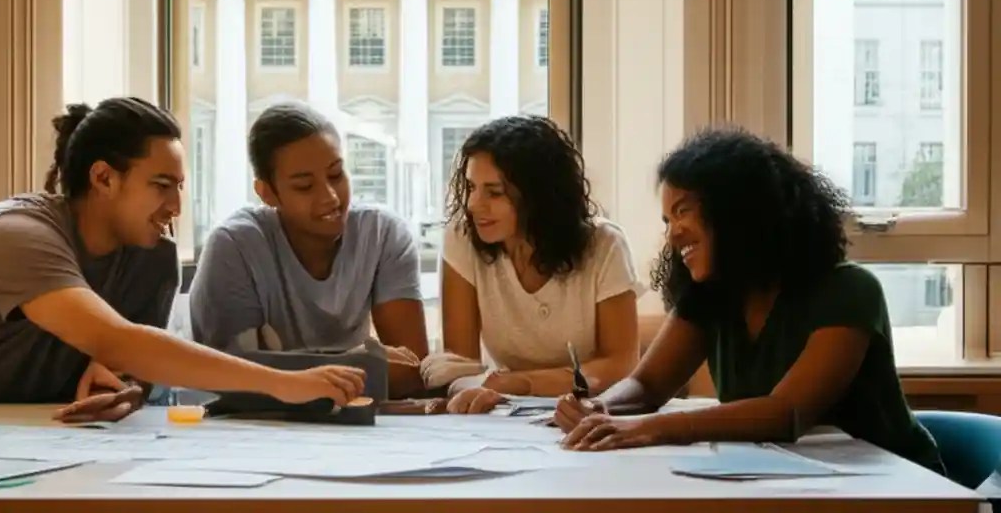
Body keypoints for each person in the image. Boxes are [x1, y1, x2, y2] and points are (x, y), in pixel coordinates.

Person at [0, 97, 364, 421]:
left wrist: (128, 388)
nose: (176, 207)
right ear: (103, 178)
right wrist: (282, 381)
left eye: (179, 187)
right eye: (161, 185)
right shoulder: (15, 237)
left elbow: (129, 362)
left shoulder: (152, 257)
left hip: (36, 435)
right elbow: (117, 340)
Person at [554, 128, 944, 473]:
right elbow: (647, 383)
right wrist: (602, 408)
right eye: (667, 221)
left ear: (737, 212)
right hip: (792, 485)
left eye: (682, 212)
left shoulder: (851, 290)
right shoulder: (712, 294)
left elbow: (785, 413)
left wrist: (648, 428)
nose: (673, 235)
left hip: (896, 485)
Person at [189, 102, 429, 398]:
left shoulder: (383, 235)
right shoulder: (234, 246)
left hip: (351, 415)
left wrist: (291, 372)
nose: (330, 197)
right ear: (266, 193)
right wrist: (356, 364)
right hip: (253, 428)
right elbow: (232, 377)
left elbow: (412, 373)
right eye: (304, 186)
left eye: (337, 174)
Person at [434, 116, 642, 413]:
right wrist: (488, 389)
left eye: (494, 192)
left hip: (592, 411)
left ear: (539, 197)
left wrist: (519, 384)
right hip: (506, 412)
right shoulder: (461, 237)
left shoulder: (605, 245)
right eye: (471, 187)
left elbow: (621, 365)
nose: (473, 205)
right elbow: (459, 367)